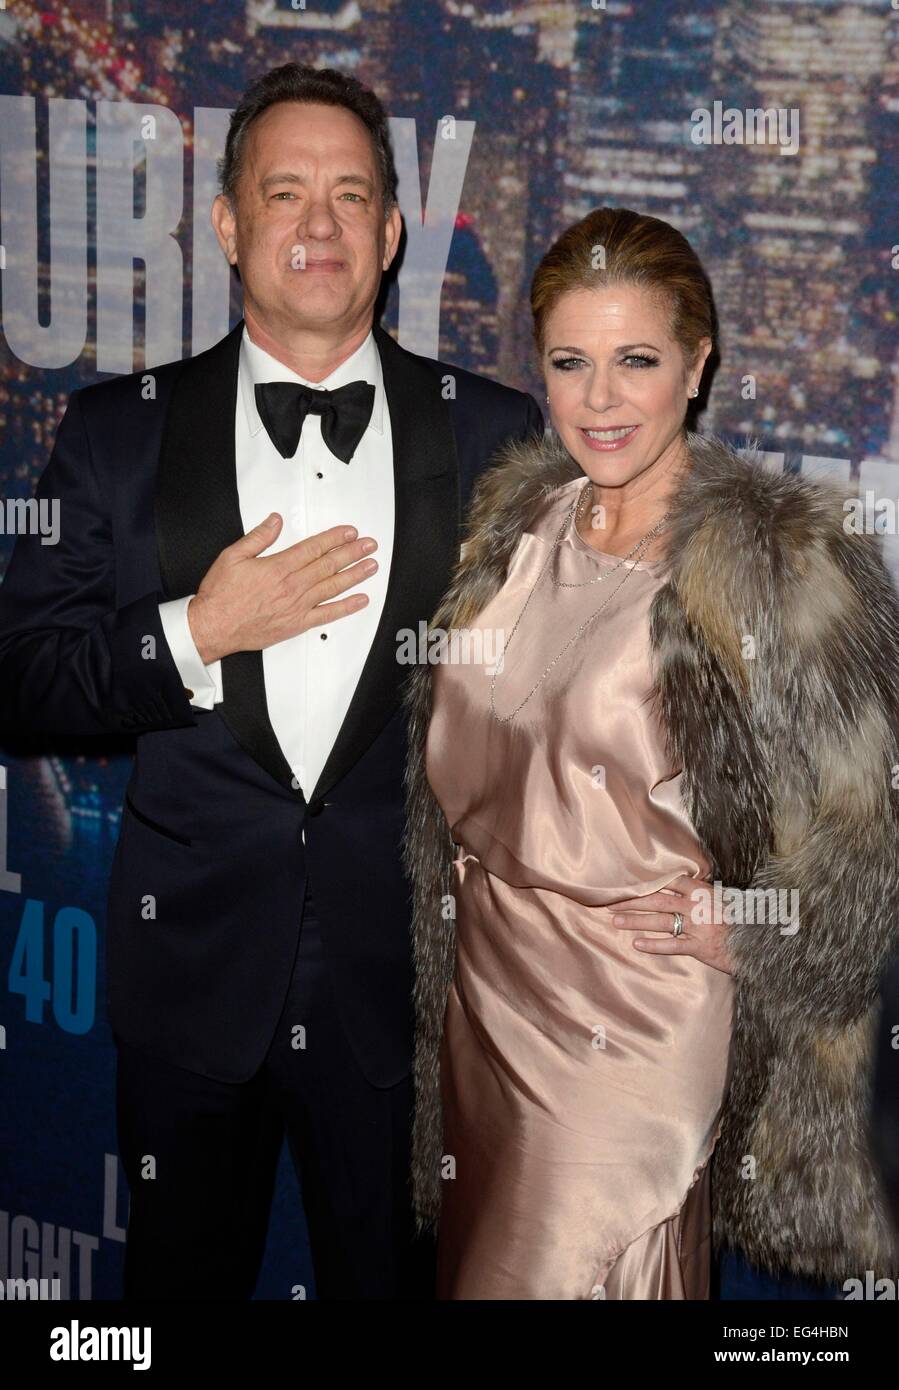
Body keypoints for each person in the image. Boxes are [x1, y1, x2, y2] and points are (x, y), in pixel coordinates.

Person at [0, 63, 542, 1300]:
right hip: (188, 986)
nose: (317, 224)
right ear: (230, 224)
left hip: (406, 998)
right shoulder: (114, 432)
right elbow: (20, 680)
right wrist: (197, 627)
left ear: (392, 232)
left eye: (349, 196)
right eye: (283, 192)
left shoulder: (493, 434)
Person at [401, 206, 899, 1299]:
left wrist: (759, 928)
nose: (598, 399)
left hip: (628, 1025)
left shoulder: (778, 566)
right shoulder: (516, 524)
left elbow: (872, 831)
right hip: (483, 1000)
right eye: (569, 363)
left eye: (635, 360)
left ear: (697, 363)